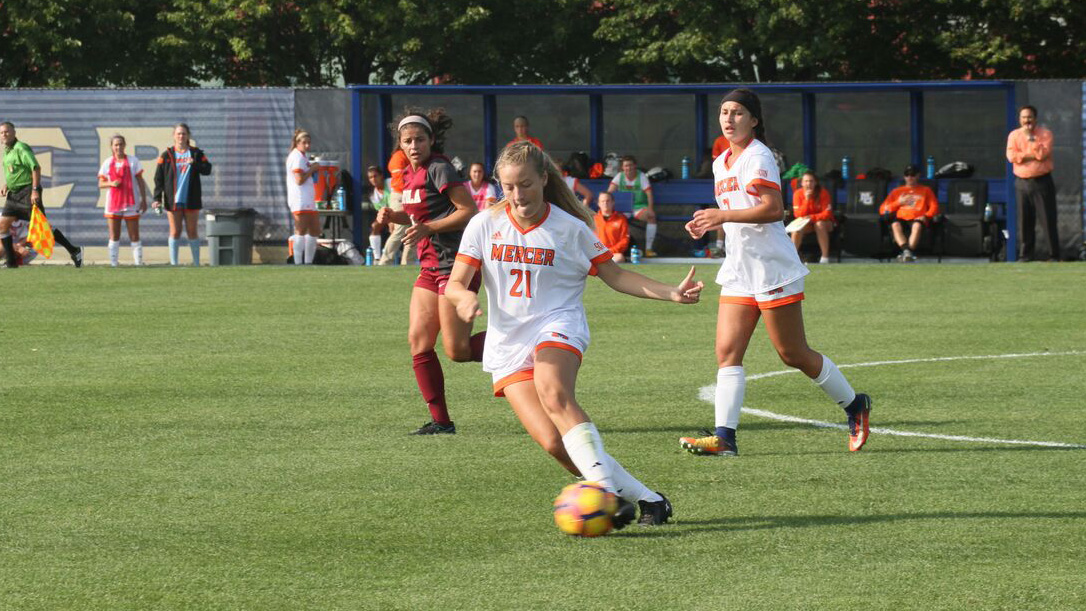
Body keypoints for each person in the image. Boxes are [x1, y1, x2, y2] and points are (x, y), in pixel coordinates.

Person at [445, 142, 702, 525]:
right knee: (554, 442)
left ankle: (602, 492)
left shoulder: (571, 229)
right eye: (509, 187)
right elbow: (455, 283)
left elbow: (615, 275)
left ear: (544, 180)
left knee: (553, 391)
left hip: (558, 324)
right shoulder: (484, 224)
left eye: (526, 185)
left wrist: (671, 293)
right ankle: (649, 500)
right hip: (507, 343)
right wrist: (463, 298)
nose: (518, 195)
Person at [679, 89, 872, 457]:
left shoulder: (759, 156)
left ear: (754, 120)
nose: (729, 118)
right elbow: (735, 213)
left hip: (771, 268)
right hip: (739, 268)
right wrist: (708, 222)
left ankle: (854, 404)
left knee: (792, 353)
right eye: (724, 112)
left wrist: (722, 215)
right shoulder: (720, 163)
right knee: (727, 353)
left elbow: (772, 209)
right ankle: (725, 438)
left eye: (738, 112)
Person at [374, 108, 486, 435]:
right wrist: (392, 217)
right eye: (407, 141)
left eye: (419, 139)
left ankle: (521, 342)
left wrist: (429, 228)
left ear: (431, 140)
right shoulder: (409, 175)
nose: (414, 146)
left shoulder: (439, 168)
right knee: (419, 342)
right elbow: (419, 218)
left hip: (456, 266)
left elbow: (469, 211)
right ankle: (441, 422)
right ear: (399, 144)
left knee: (457, 351)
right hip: (429, 267)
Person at [1, 122, 84, 268]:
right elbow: (16, 171)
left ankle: (74, 251)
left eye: (7, 131)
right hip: (13, 195)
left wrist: (34, 190)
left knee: (43, 228)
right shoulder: (7, 151)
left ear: (14, 132)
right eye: (1, 133)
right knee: (2, 226)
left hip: (27, 192)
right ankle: (11, 263)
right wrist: (7, 184)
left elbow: (36, 168)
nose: (4, 135)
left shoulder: (21, 148)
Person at [153, 122, 213, 266]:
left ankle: (196, 264)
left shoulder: (196, 153)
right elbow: (158, 179)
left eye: (184, 134)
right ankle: (174, 264)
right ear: (174, 136)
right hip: (172, 199)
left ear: (188, 136)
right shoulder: (166, 155)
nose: (181, 136)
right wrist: (157, 198)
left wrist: (195, 164)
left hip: (191, 198)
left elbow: (207, 169)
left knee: (192, 231)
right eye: (178, 134)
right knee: (175, 232)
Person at [1006, 104, 1059, 261]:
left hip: (1042, 182)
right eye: (1024, 117)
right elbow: (1012, 157)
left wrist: (1031, 139)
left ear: (1035, 119)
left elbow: (1042, 155)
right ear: (1020, 119)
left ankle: (1053, 255)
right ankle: (1026, 255)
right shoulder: (1014, 135)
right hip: (1022, 183)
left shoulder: (1045, 134)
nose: (1026, 120)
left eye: (1029, 117)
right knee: (1025, 220)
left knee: (1047, 219)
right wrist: (1030, 155)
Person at [97, 134, 149, 266]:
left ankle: (138, 263)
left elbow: (140, 181)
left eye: (121, 144)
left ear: (125, 145)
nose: (118, 147)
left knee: (134, 235)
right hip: (113, 204)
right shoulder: (107, 162)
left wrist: (143, 199)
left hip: (131, 203)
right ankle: (114, 264)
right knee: (114, 236)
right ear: (111, 146)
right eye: (116, 145)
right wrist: (111, 183)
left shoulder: (133, 161)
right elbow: (100, 183)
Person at [878, 164, 939, 262]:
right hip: (901, 217)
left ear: (918, 175)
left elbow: (934, 206)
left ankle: (906, 252)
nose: (910, 177)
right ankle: (907, 252)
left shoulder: (926, 190)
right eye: (907, 175)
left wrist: (926, 216)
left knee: (916, 226)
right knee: (895, 225)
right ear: (904, 176)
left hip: (918, 217)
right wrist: (899, 202)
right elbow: (883, 209)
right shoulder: (896, 191)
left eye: (913, 175)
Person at [607, 155, 658, 256]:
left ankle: (648, 249)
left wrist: (650, 209)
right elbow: (609, 192)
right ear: (622, 167)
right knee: (610, 219)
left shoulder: (641, 176)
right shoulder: (619, 176)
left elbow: (649, 194)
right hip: (623, 209)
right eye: (626, 166)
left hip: (638, 207)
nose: (628, 168)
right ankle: (611, 248)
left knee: (651, 217)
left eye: (630, 165)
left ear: (635, 166)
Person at [285, 129, 320, 265]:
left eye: (309, 143)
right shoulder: (297, 157)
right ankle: (298, 263)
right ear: (297, 143)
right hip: (299, 199)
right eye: (304, 143)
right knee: (301, 231)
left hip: (307, 198)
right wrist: (312, 169)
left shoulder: (302, 156)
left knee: (315, 229)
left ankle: (308, 262)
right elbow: (299, 180)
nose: (307, 145)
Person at [377, 149, 414, 265]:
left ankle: (408, 262)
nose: (413, 145)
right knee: (400, 230)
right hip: (400, 195)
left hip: (411, 194)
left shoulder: (412, 154)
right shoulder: (398, 156)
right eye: (408, 141)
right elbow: (400, 181)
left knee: (414, 229)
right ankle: (384, 262)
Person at [790, 171, 836, 263]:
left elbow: (827, 213)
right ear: (802, 183)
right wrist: (807, 200)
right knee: (796, 229)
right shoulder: (797, 194)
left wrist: (811, 217)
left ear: (815, 182)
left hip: (824, 223)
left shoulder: (823, 193)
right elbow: (798, 214)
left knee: (819, 224)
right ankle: (792, 258)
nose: (808, 184)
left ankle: (825, 258)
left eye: (811, 181)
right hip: (806, 224)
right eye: (806, 181)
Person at [593, 191, 629, 263]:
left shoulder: (621, 219)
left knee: (619, 257)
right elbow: (589, 239)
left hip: (614, 254)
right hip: (596, 254)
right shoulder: (593, 219)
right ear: (598, 203)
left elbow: (624, 240)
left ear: (613, 202)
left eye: (608, 201)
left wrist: (610, 251)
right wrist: (600, 251)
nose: (605, 203)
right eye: (602, 201)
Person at [365, 165, 391, 256]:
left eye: (375, 176)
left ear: (381, 176)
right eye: (370, 177)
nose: (373, 179)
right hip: (388, 216)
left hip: (401, 212)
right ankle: (377, 257)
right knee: (374, 226)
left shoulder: (390, 182)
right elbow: (380, 211)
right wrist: (390, 221)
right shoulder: (373, 195)